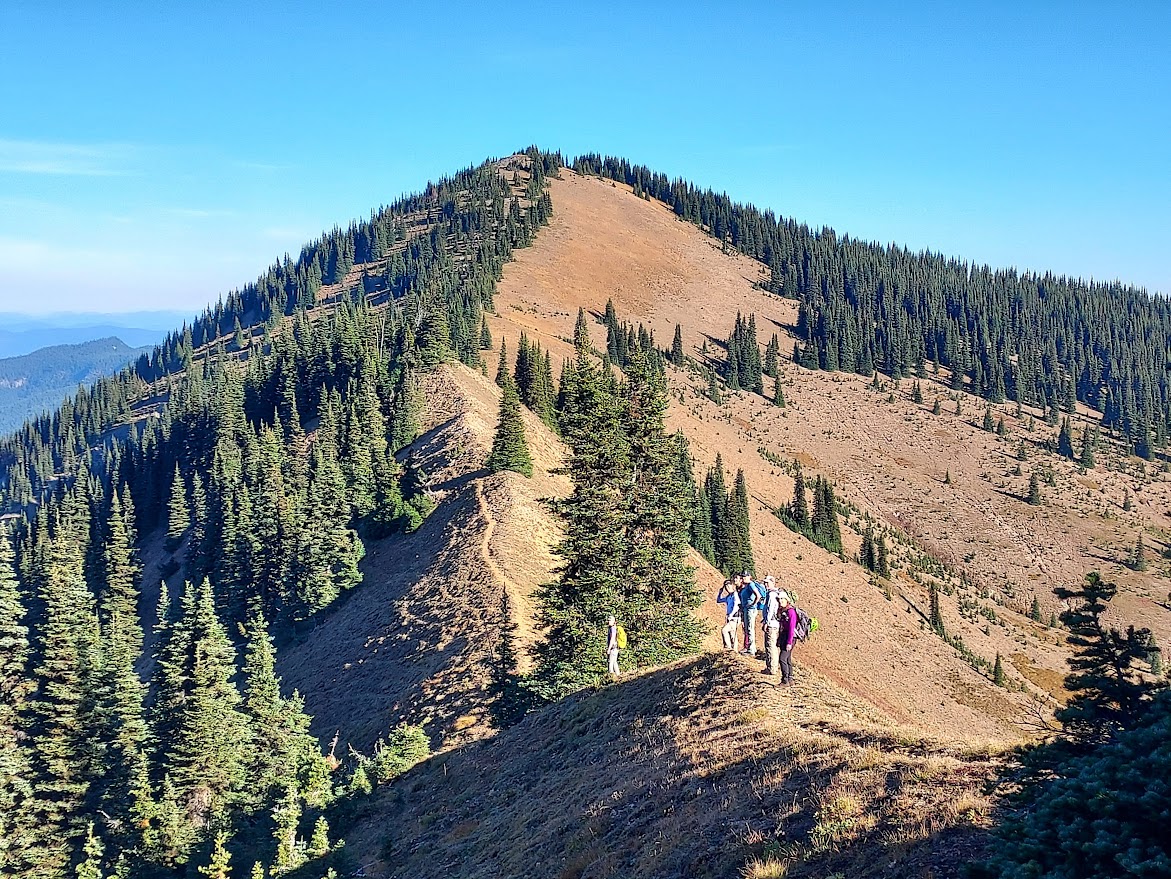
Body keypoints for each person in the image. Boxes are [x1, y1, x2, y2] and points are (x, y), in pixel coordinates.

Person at [775, 590, 799, 684]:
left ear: (786, 600)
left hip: (790, 637)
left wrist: (789, 642)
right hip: (784, 636)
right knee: (787, 658)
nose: (780, 601)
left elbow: (791, 628)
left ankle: (785, 680)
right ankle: (790, 679)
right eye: (779, 599)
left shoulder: (791, 612)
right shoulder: (783, 610)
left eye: (782, 599)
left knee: (782, 658)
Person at [739, 572, 763, 656]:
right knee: (748, 628)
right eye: (743, 576)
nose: (743, 578)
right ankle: (750, 647)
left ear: (750, 577)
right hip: (747, 609)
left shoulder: (751, 585)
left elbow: (758, 595)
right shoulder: (747, 586)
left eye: (745, 576)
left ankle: (751, 649)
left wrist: (753, 604)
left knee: (750, 628)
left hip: (750, 609)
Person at [716, 579, 740, 650]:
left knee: (725, 630)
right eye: (726, 588)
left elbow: (736, 605)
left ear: (732, 586)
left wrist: (731, 615)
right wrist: (720, 593)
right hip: (730, 618)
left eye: (728, 587)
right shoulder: (728, 596)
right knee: (732, 634)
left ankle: (728, 647)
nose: (727, 589)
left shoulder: (735, 594)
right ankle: (734, 650)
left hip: (735, 617)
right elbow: (718, 600)